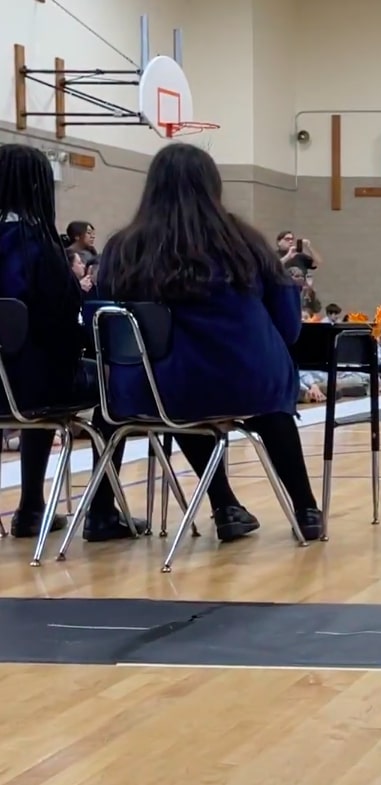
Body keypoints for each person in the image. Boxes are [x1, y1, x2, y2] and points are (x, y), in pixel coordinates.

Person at [98, 143, 323, 543]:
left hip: (157, 388)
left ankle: (225, 507)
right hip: (248, 381)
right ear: (213, 185)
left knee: (178, 391)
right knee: (269, 408)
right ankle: (305, 509)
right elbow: (289, 330)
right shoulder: (246, 243)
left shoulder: (123, 248)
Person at [0, 144, 124, 538]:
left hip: (4, 383)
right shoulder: (38, 246)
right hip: (33, 383)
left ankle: (34, 507)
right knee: (108, 383)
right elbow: (64, 330)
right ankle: (88, 511)